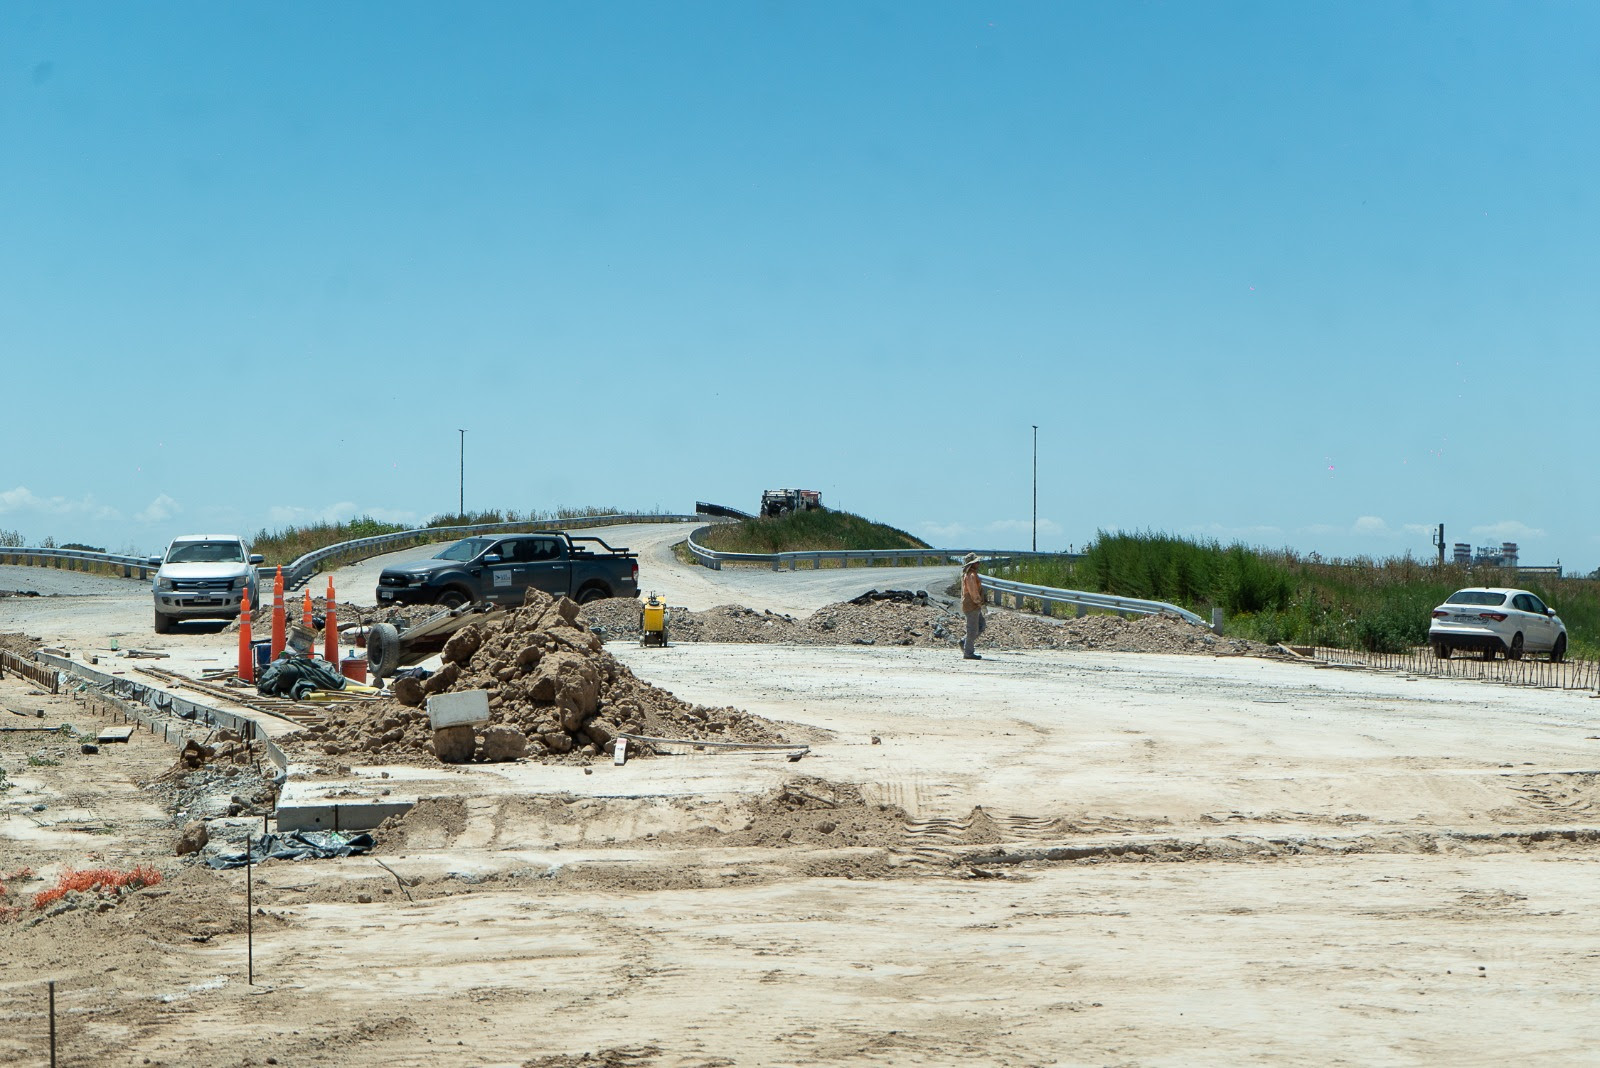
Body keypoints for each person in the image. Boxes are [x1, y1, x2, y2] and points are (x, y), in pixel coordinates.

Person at [960, 553, 985, 659]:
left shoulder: (971, 574)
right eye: (976, 562)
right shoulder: (971, 575)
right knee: (973, 630)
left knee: (981, 626)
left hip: (973, 605)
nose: (978, 563)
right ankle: (968, 652)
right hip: (972, 605)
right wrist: (979, 602)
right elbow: (973, 592)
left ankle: (964, 642)